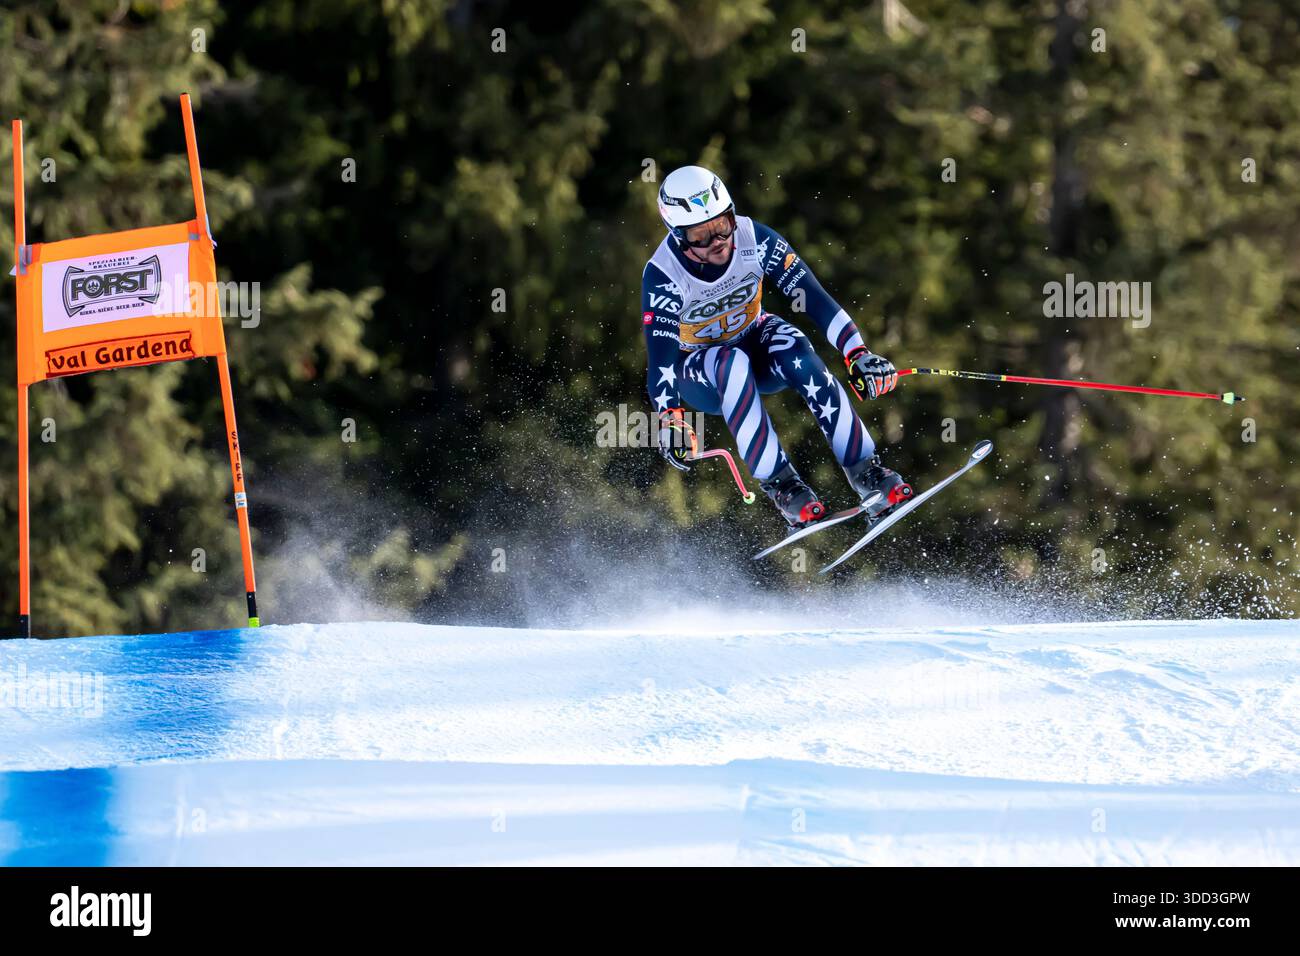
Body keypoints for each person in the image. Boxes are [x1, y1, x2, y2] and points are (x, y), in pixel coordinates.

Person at [641, 165, 911, 527]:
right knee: (729, 360)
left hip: (758, 342)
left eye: (722, 224)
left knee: (796, 348)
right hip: (701, 372)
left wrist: (857, 353)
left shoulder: (756, 240)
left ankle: (867, 473)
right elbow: (661, 358)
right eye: (701, 236)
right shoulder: (663, 274)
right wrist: (670, 418)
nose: (718, 240)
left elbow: (814, 299)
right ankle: (784, 487)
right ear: (678, 236)